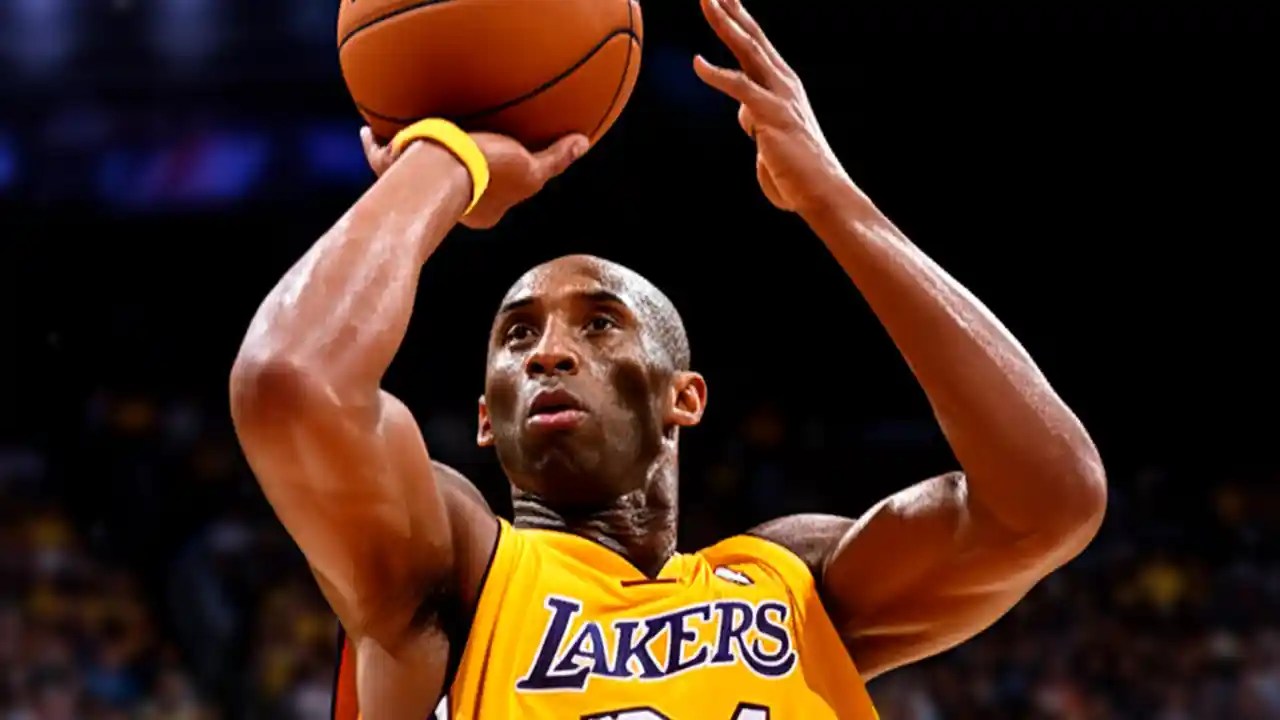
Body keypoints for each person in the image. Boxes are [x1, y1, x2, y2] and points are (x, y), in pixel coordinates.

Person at [229, 0, 1107, 717]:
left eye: (599, 325)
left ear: (683, 397)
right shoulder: (452, 574)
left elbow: (1050, 499)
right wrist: (444, 164)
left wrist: (833, 201)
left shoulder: (794, 583)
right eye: (518, 335)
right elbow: (289, 382)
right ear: (486, 419)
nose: (550, 353)